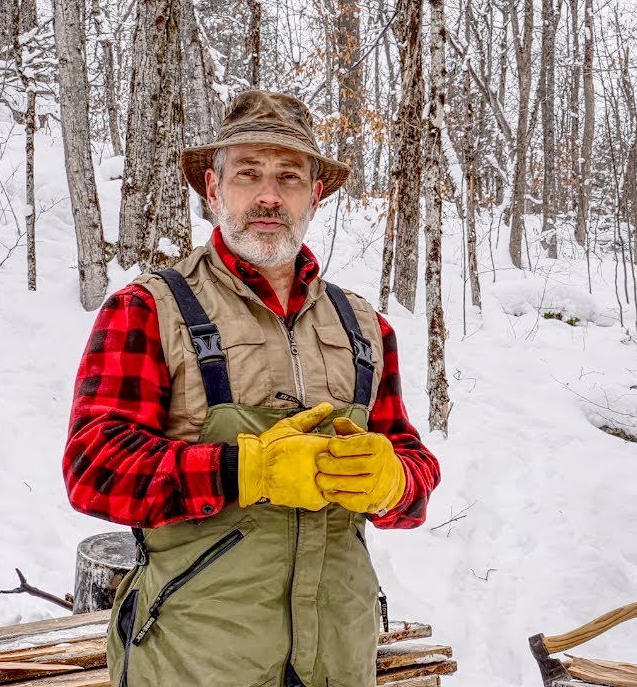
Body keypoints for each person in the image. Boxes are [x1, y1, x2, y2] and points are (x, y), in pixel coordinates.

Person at [63, 89, 441, 687]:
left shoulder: (366, 326)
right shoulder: (148, 309)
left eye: (289, 176)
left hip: (340, 660)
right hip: (195, 662)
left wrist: (393, 480)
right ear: (212, 190)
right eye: (248, 173)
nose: (269, 195)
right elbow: (93, 470)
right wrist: (248, 471)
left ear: (315, 195)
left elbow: (415, 473)